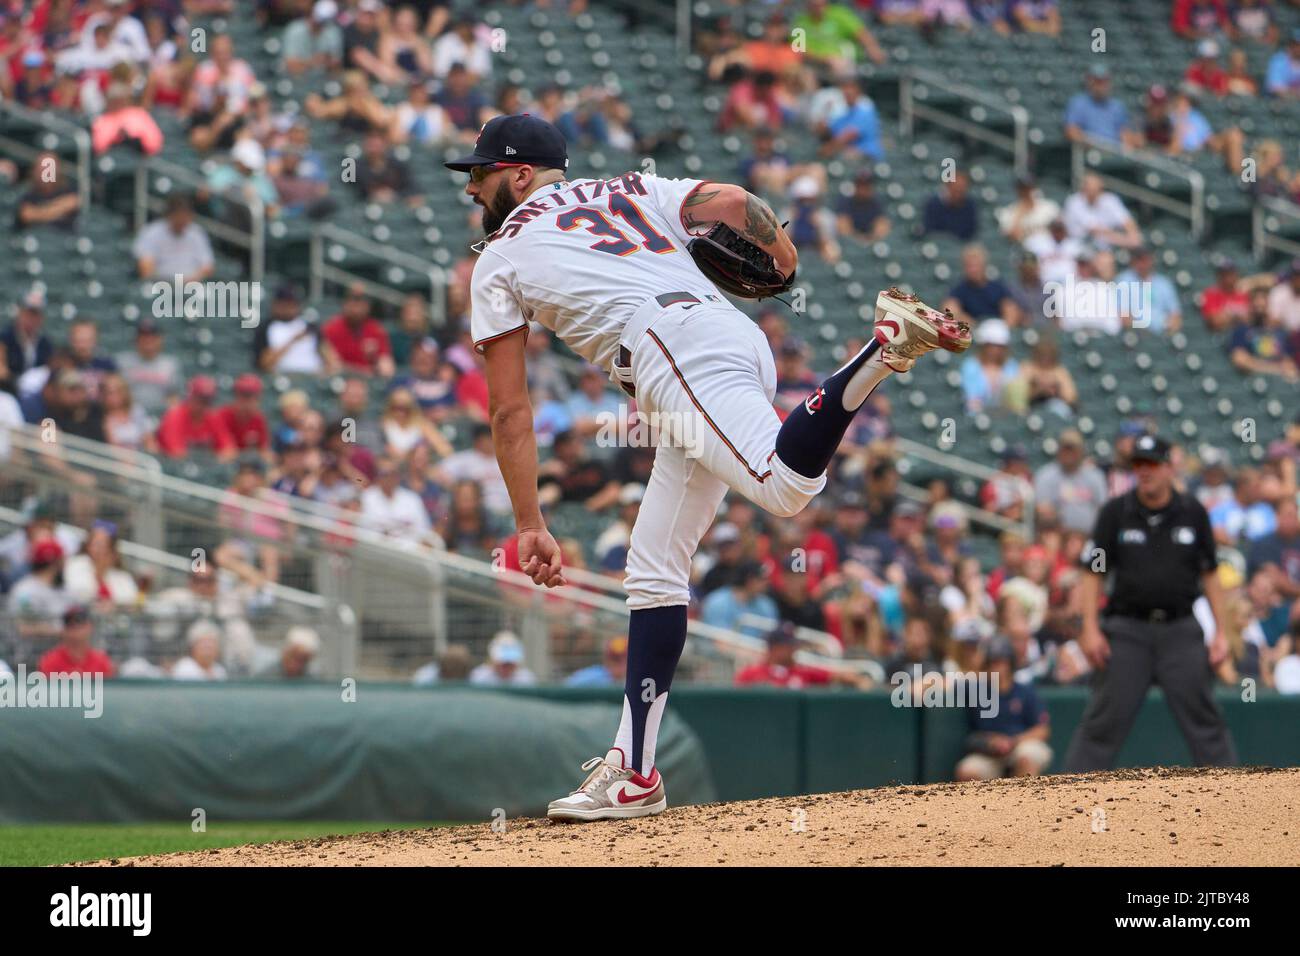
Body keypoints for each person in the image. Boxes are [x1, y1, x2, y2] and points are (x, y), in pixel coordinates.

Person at [446, 113, 971, 822]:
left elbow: (509, 411)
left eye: (479, 176)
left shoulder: (499, 258)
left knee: (782, 487)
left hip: (669, 350)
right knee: (654, 563)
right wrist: (784, 256)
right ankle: (635, 770)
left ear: (515, 174)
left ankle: (881, 349)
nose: (473, 191)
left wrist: (529, 522)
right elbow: (729, 204)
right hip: (724, 336)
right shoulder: (627, 188)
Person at [1065, 435, 1238, 771]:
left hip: (1180, 628)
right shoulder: (1115, 513)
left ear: (1169, 467)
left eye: (1152, 464)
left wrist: (1221, 632)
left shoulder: (1193, 512)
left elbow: (1211, 575)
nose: (1144, 471)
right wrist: (1088, 629)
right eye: (1139, 464)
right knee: (1103, 722)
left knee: (1206, 721)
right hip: (1127, 629)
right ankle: (1074, 802)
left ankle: (1229, 799)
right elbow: (1093, 572)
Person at [954, 638, 1052, 780]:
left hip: (1020, 745)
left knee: (1026, 757)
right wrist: (990, 742)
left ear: (1010, 664)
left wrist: (1013, 741)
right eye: (992, 662)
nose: (997, 667)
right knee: (967, 771)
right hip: (989, 752)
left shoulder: (1025, 691)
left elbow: (1043, 730)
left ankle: (1026, 801)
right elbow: (949, 683)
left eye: (1001, 662)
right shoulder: (976, 690)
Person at [37, 605, 115, 678]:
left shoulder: (101, 661)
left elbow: (108, 689)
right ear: (64, 630)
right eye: (70, 625)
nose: (75, 630)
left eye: (80, 624)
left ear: (90, 627)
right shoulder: (50, 661)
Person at [468, 630, 537, 686]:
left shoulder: (526, 679)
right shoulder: (480, 677)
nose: (506, 667)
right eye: (503, 663)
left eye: (510, 664)